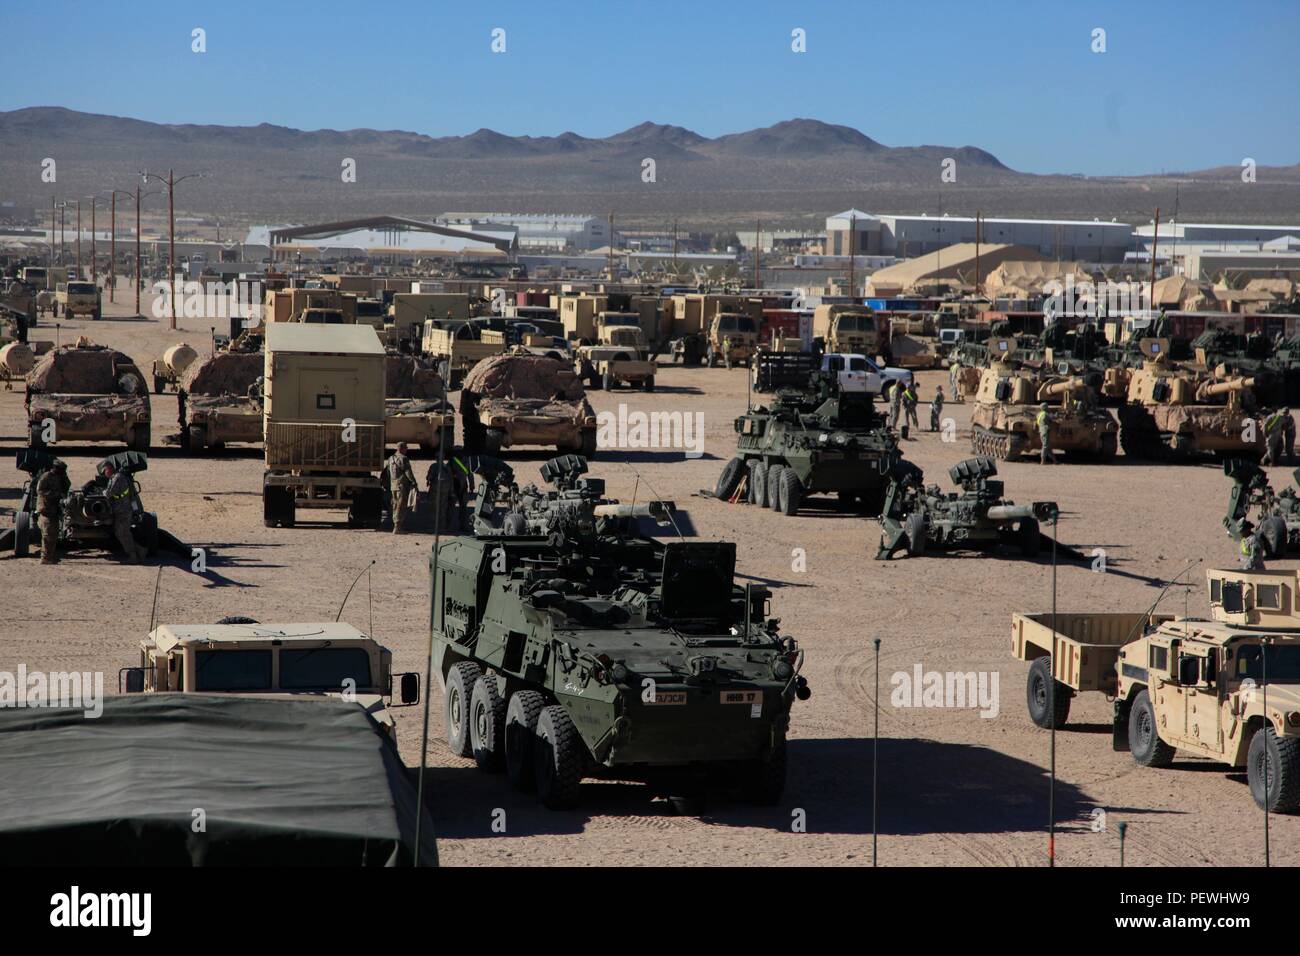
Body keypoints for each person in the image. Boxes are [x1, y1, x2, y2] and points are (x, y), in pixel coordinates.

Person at [103, 461, 147, 563]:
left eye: (105, 470)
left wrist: (103, 492)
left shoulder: (117, 478)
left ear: (110, 469)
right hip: (121, 509)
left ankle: (133, 557)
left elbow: (109, 493)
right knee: (121, 533)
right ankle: (140, 551)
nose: (105, 472)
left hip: (123, 509)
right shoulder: (117, 477)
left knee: (122, 533)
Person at [35, 461, 70, 565]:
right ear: (55, 468)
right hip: (46, 509)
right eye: (61, 470)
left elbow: (67, 486)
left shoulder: (60, 477)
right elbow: (40, 490)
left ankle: (49, 556)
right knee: (47, 534)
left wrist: (64, 477)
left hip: (54, 509)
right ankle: (45, 558)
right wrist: (54, 494)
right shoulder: (46, 476)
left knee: (53, 534)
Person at [386, 442, 417, 534]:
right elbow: (408, 472)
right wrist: (414, 482)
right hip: (401, 485)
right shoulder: (404, 458)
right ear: (402, 448)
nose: (406, 450)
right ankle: (397, 527)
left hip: (393, 485)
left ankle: (396, 525)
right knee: (401, 505)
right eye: (406, 448)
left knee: (395, 505)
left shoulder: (390, 458)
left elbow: (388, 472)